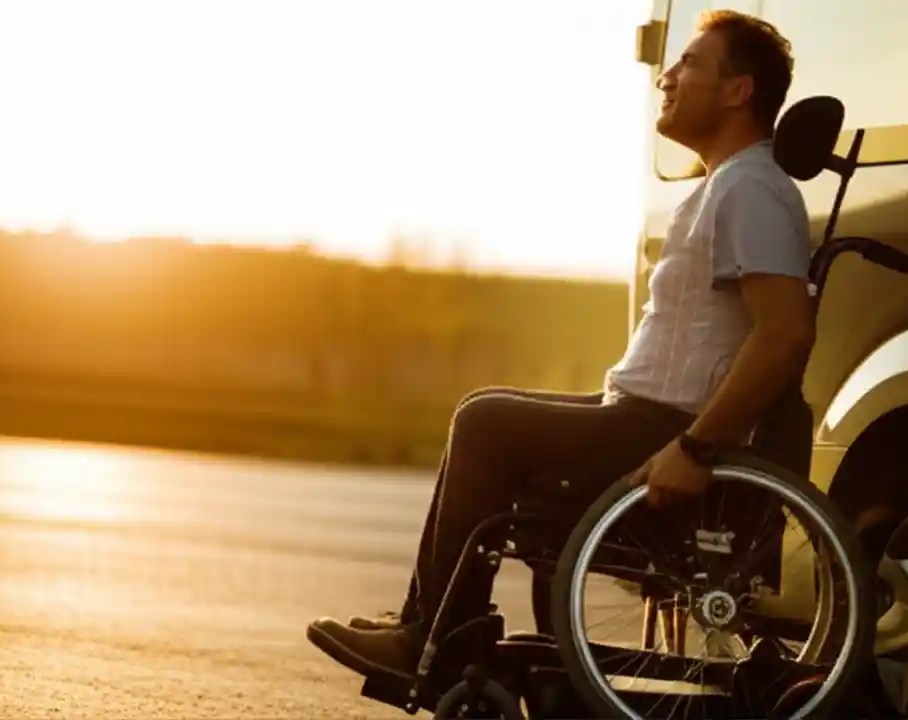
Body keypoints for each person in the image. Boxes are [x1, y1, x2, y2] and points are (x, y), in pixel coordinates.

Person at [306, 7, 814, 680]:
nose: (667, 76)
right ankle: (428, 623)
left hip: (667, 428)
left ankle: (434, 636)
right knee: (487, 408)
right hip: (642, 415)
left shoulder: (751, 189)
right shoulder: (726, 185)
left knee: (485, 424)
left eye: (689, 63)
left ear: (737, 90)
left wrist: (694, 448)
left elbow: (785, 335)